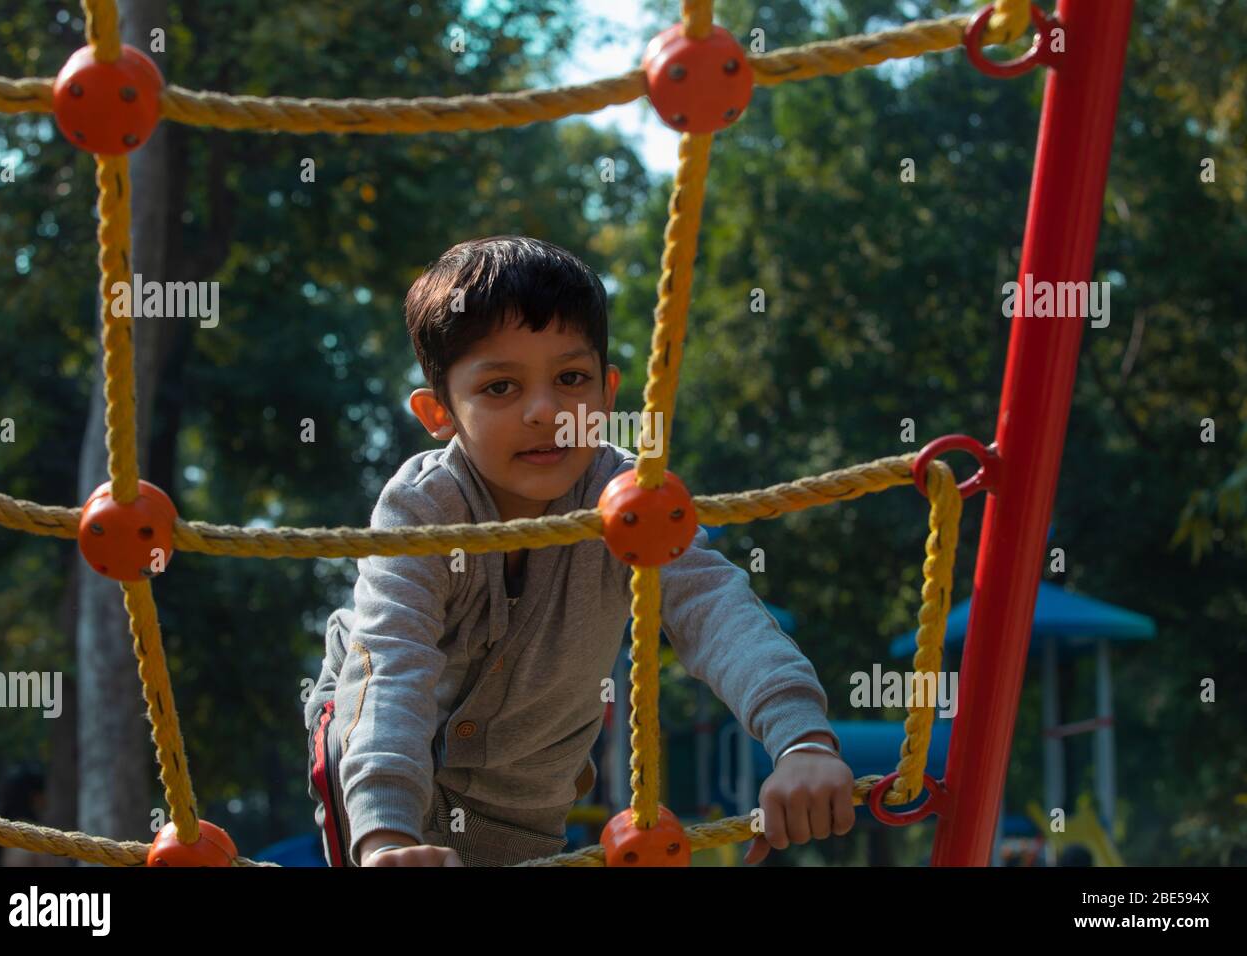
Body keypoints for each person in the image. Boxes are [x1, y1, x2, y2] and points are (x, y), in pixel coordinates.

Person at [305, 236, 854, 867]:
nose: (545, 411)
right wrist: (385, 836)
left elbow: (713, 606)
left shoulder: (627, 501)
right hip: (378, 758)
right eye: (501, 387)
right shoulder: (424, 509)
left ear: (607, 392)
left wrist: (801, 741)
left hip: (526, 801)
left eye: (570, 379)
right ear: (439, 412)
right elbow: (391, 661)